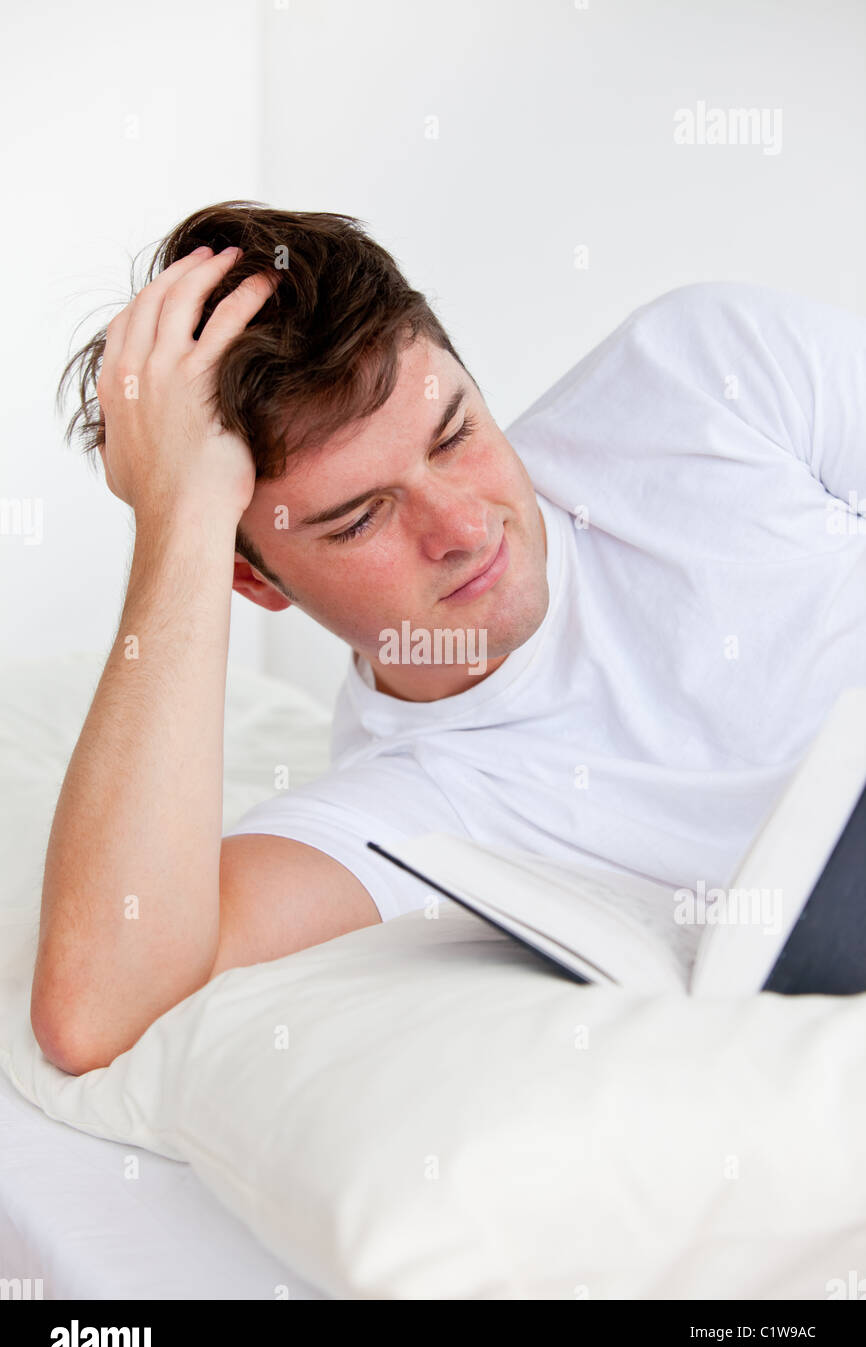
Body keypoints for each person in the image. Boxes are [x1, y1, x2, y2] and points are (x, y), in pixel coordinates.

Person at [32, 200, 866, 1075]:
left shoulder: (705, 379)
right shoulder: (409, 811)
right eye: (359, 521)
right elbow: (98, 1010)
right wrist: (180, 522)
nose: (463, 528)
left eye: (455, 433)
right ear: (249, 577)